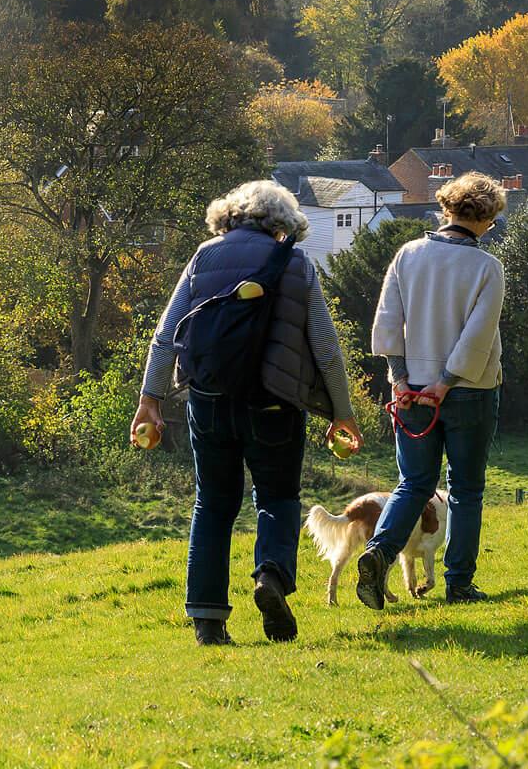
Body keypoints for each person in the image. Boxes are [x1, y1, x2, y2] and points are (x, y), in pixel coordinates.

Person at [131, 180, 363, 646]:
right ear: (282, 223)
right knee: (277, 498)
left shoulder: (203, 256)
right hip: (275, 401)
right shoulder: (295, 264)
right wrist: (343, 411)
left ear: (230, 217)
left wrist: (149, 398)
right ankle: (272, 578)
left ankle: (208, 622)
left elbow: (165, 334)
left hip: (209, 399)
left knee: (213, 504)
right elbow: (325, 345)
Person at [354, 171, 507, 609]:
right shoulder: (486, 267)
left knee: (414, 483)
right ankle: (459, 583)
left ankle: (379, 553)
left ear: (446, 208)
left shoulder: (408, 254)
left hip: (410, 390)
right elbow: (478, 335)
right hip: (471, 389)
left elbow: (386, 322)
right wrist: (445, 384)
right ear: (487, 219)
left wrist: (401, 379)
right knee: (466, 490)